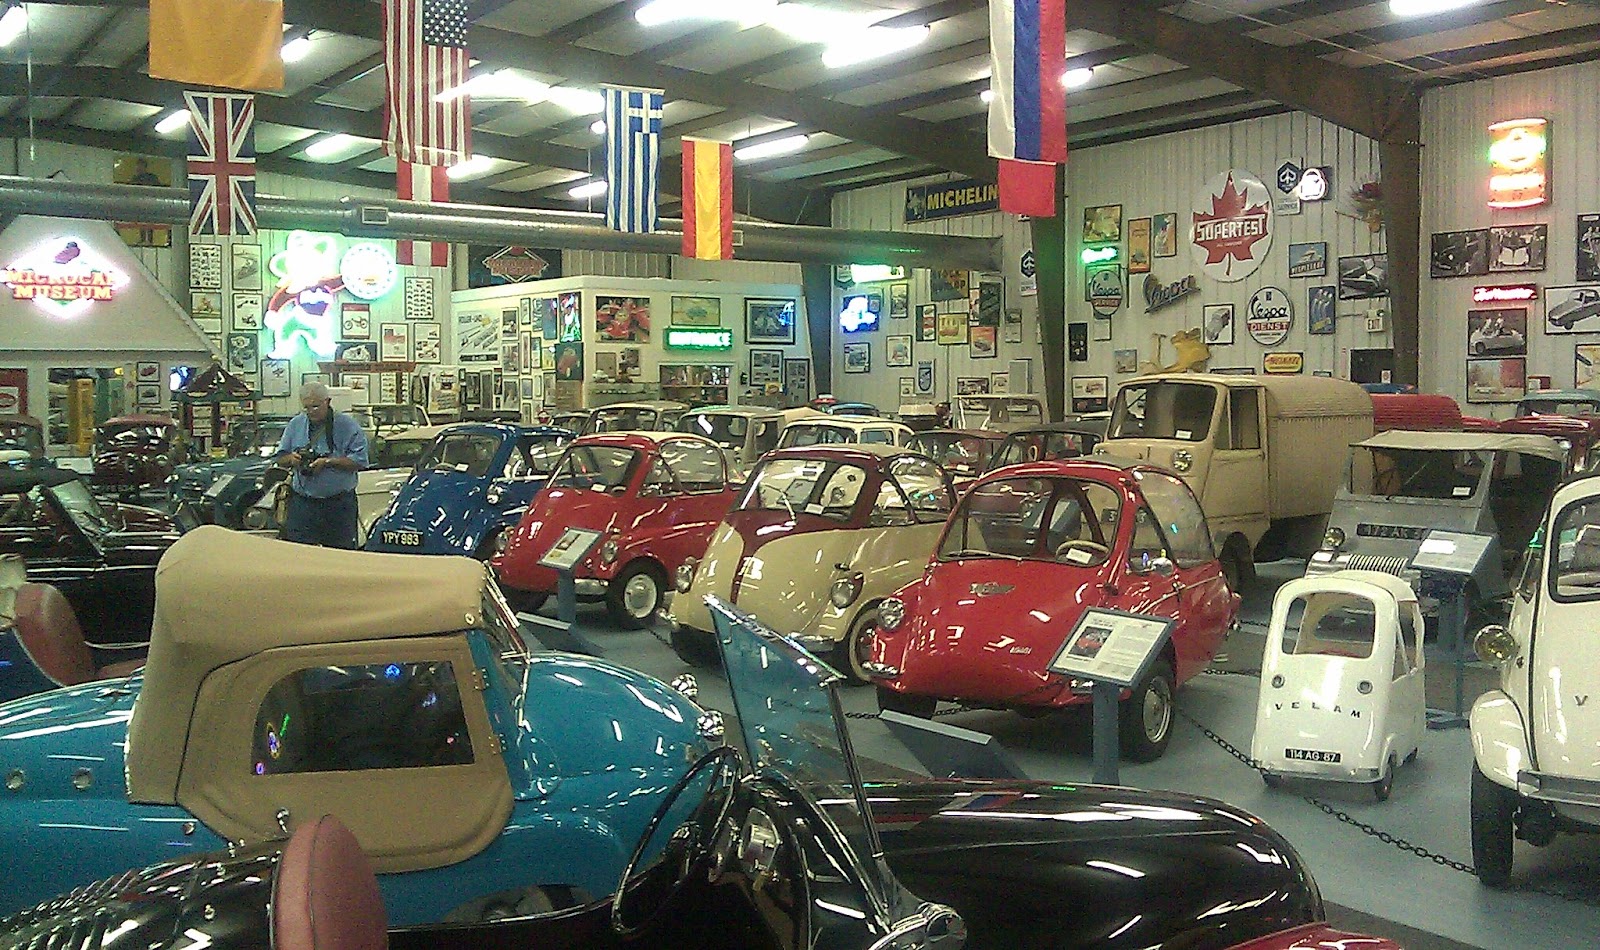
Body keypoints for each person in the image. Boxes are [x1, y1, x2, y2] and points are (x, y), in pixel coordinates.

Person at [275, 382, 368, 548]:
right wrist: (292, 459)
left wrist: (328, 462)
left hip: (338, 506)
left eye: (316, 406)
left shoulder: (348, 426)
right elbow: (280, 458)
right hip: (303, 505)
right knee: (299, 553)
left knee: (340, 554)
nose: (311, 411)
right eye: (306, 407)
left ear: (328, 401)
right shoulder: (296, 424)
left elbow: (360, 461)